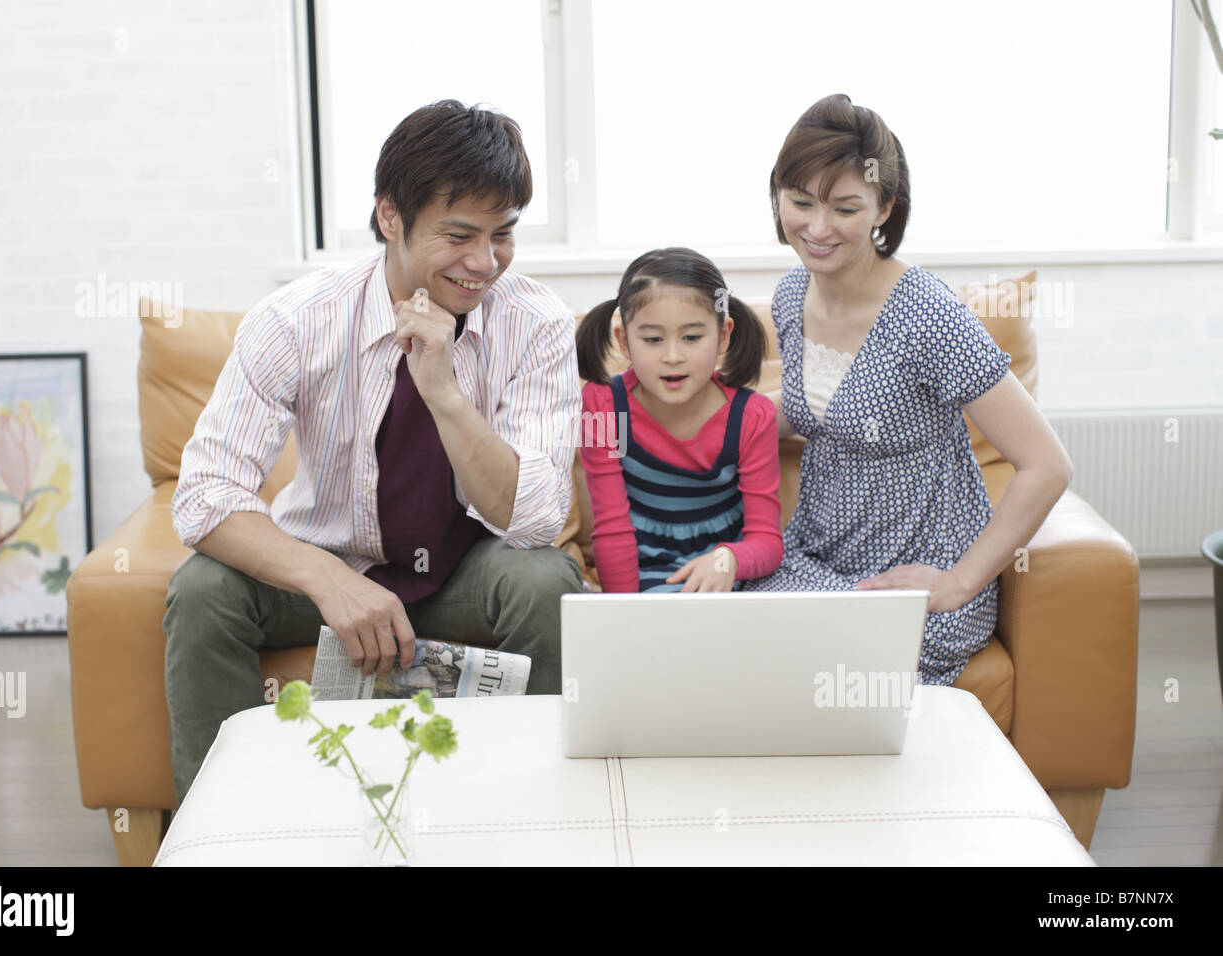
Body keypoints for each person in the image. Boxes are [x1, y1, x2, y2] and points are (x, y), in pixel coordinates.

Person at [163, 100, 583, 804]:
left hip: (461, 571)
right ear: (391, 217)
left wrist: (445, 390)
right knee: (202, 592)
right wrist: (330, 581)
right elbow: (204, 494)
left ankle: (539, 816)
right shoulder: (295, 322)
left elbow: (535, 518)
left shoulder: (535, 324)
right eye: (459, 235)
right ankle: (224, 827)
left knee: (546, 583)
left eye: (502, 235)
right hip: (329, 561)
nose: (484, 263)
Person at [747, 93, 1074, 685]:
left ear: (884, 207)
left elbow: (1047, 465)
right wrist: (698, 422)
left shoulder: (929, 316)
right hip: (817, 559)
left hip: (910, 580)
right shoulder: (793, 295)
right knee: (712, 620)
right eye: (800, 202)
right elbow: (810, 412)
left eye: (845, 208)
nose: (817, 229)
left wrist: (959, 581)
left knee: (793, 667)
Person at [576, 248, 783, 593]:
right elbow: (611, 529)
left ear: (724, 335)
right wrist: (624, 615)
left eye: (692, 337)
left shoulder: (753, 416)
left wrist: (725, 561)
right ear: (624, 342)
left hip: (727, 572)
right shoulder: (601, 406)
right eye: (653, 340)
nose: (673, 357)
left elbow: (766, 541)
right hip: (643, 575)